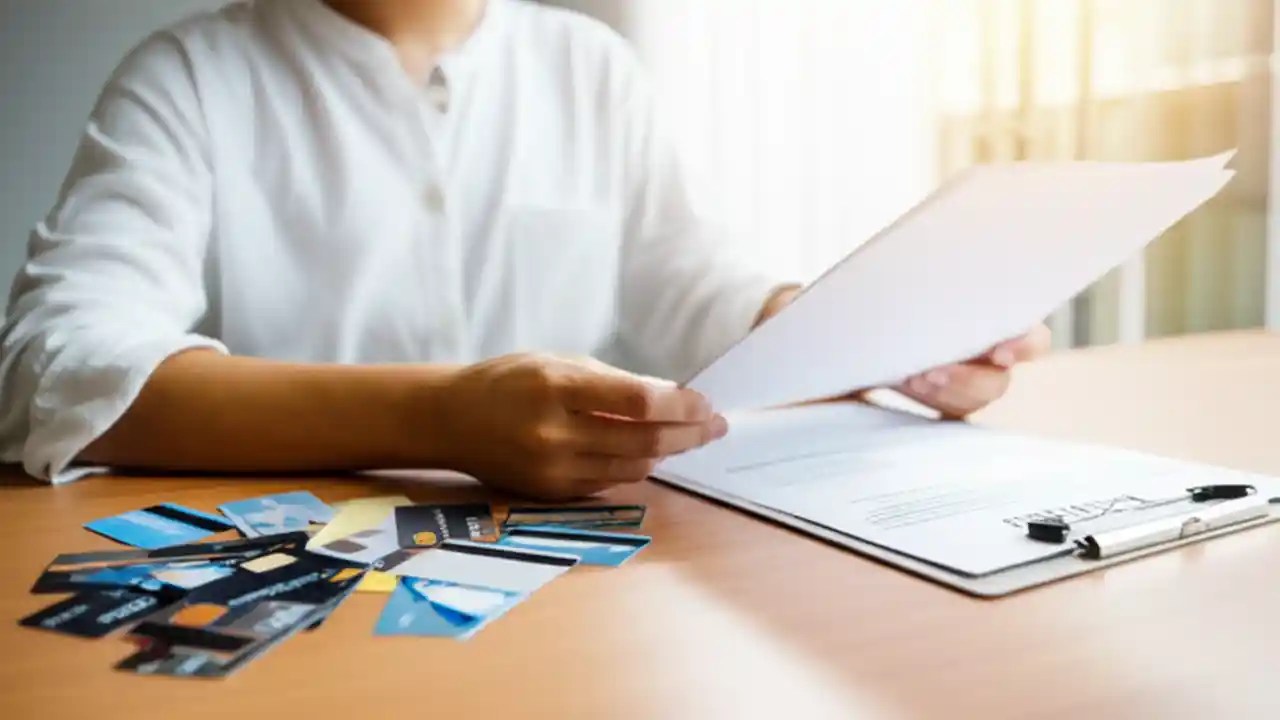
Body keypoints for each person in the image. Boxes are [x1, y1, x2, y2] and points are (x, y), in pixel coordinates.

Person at [0, 0, 1049, 499]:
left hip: (584, 575)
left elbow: (692, 283)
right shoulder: (192, 75)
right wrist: (438, 415)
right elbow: (51, 373)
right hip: (320, 567)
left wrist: (877, 341)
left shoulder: (589, 64)